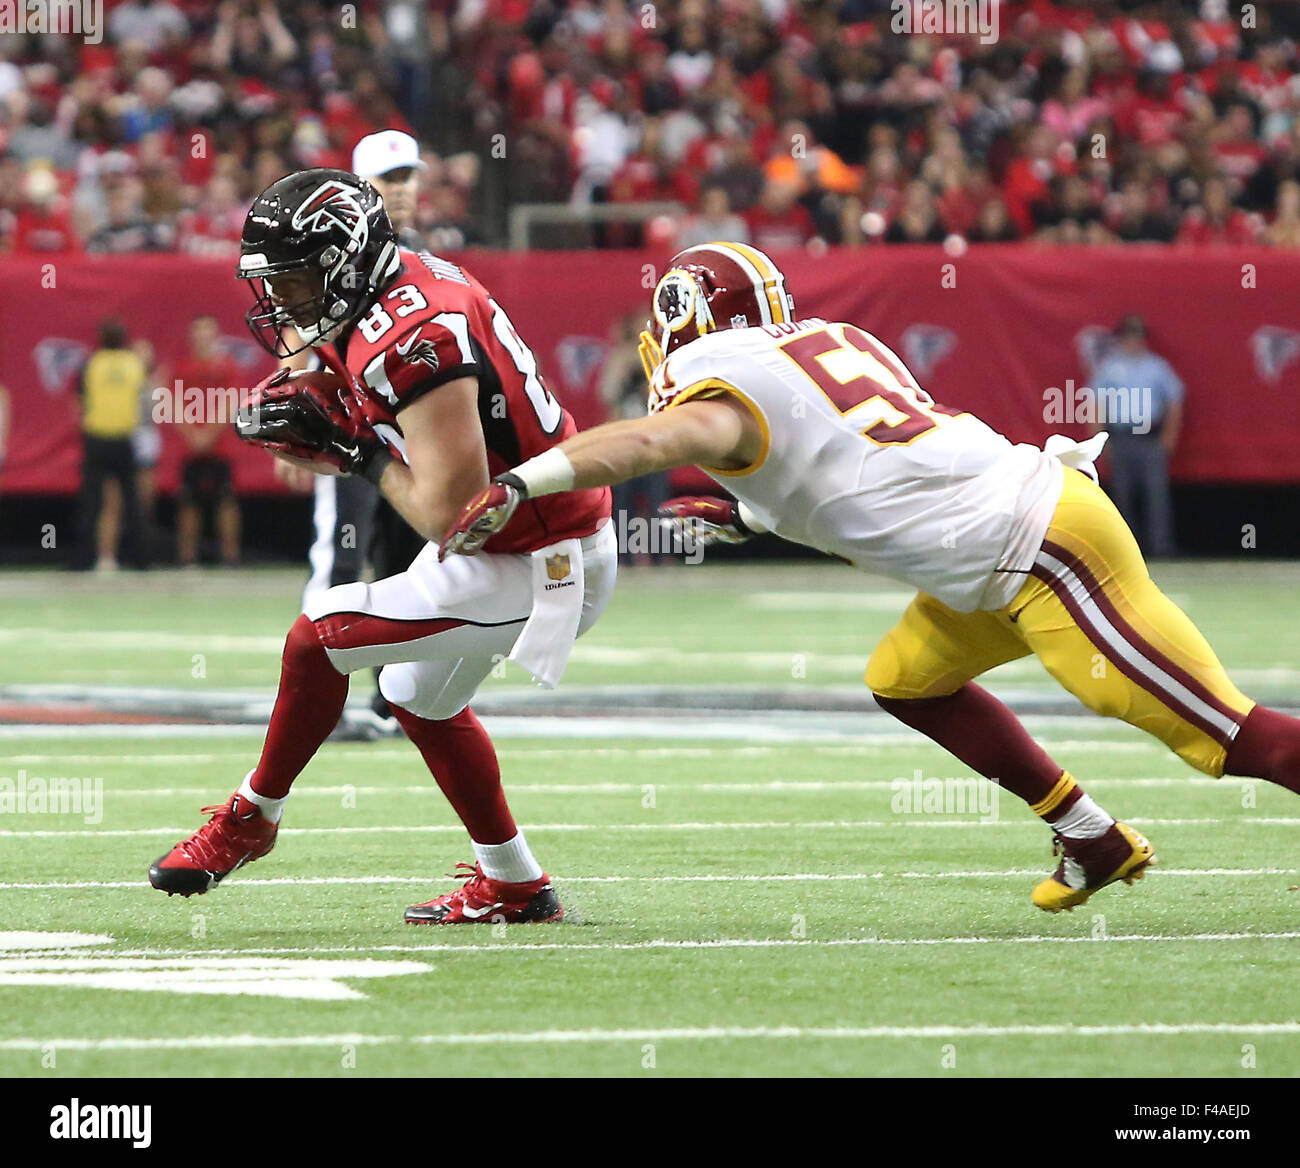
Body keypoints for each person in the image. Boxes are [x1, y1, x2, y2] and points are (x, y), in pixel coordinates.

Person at [441, 242, 1300, 914]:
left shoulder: (720, 386)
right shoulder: (833, 342)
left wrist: (528, 477)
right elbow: (859, 469)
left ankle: (1118, 819)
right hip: (1001, 556)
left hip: (1044, 551)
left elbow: (655, 443)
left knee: (1231, 739)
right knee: (907, 681)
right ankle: (1090, 836)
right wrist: (744, 515)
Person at [147, 168, 614, 925]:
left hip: (543, 554)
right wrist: (299, 394)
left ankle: (250, 817)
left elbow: (453, 515)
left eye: (295, 283)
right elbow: (332, 359)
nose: (280, 305)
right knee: (414, 696)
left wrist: (355, 455)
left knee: (319, 636)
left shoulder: (416, 339)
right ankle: (517, 884)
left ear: (343, 262)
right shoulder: (392, 281)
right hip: (512, 540)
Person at [1090, 315, 1184, 558]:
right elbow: (1097, 403)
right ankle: (1127, 551)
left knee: (1156, 493)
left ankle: (1161, 547)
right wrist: (1098, 439)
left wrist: (1169, 435)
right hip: (1121, 437)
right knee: (1122, 494)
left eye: (1137, 337)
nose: (1133, 342)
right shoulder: (1110, 368)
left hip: (1150, 438)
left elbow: (1174, 400)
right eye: (1128, 337)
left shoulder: (1157, 367)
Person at [74, 317, 149, 572]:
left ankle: (84, 559)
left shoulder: (91, 364)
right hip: (123, 439)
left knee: (92, 503)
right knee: (131, 502)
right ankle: (139, 559)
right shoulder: (133, 364)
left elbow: (78, 401)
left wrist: (85, 424)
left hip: (96, 438)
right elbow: (143, 393)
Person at [173, 316, 242, 566]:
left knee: (226, 500)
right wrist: (192, 435)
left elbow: (230, 401)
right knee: (188, 502)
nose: (202, 338)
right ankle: (187, 558)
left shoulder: (226, 367)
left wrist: (209, 434)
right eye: (198, 333)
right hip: (189, 448)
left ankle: (230, 557)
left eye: (207, 334)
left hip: (220, 447)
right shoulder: (182, 368)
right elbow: (174, 404)